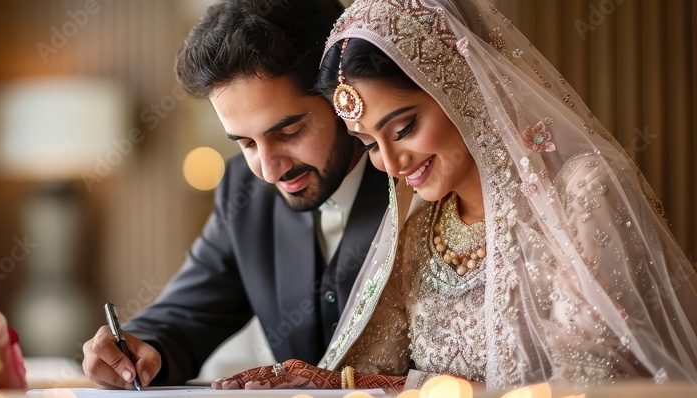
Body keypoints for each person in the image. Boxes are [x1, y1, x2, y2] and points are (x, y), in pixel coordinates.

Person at [214, 0, 697, 392]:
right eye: (366, 144)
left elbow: (594, 380)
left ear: (461, 89)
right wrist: (312, 381)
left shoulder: (581, 192)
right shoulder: (420, 229)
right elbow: (382, 377)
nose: (391, 162)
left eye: (403, 128)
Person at [80, 0, 409, 390]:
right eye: (246, 143)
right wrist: (135, 350)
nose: (269, 171)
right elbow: (184, 318)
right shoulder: (244, 190)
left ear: (342, 97)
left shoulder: (420, 178)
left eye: (288, 133)